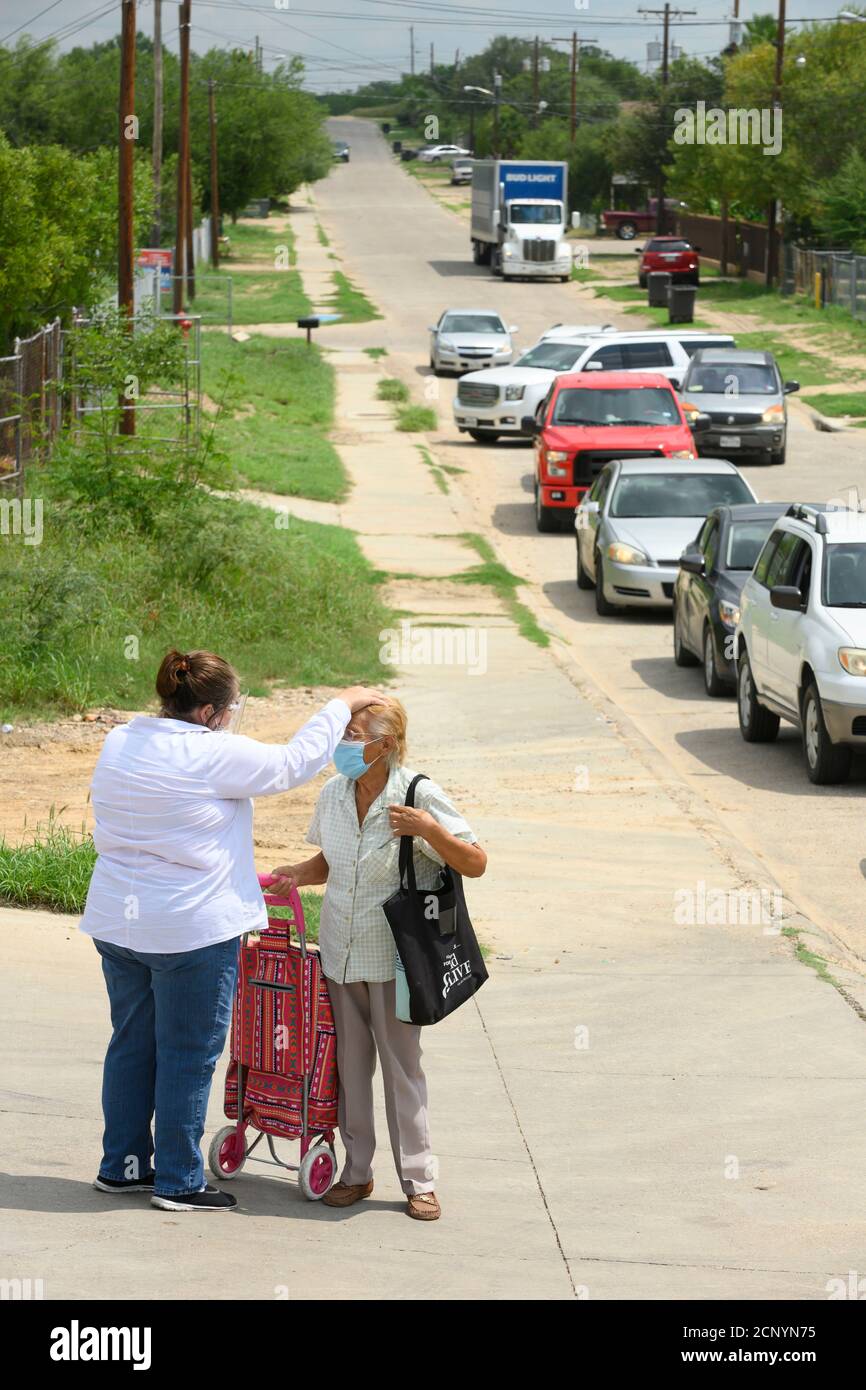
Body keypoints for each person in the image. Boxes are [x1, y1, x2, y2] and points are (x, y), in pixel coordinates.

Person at [80, 647, 383, 1213]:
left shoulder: (121, 739)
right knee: (187, 1054)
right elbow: (294, 763)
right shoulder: (214, 753)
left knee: (131, 1043)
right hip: (189, 930)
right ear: (209, 712)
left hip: (118, 921)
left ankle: (122, 1167)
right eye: (231, 708)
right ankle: (177, 1181)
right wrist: (341, 705)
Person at [271, 696, 486, 1221]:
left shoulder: (417, 794)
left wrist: (428, 830)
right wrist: (296, 874)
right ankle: (356, 1172)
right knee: (349, 1069)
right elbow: (331, 860)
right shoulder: (333, 793)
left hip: (394, 961)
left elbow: (475, 861)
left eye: (353, 736)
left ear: (384, 744)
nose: (343, 745)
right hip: (339, 955)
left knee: (401, 1070)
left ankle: (419, 1179)